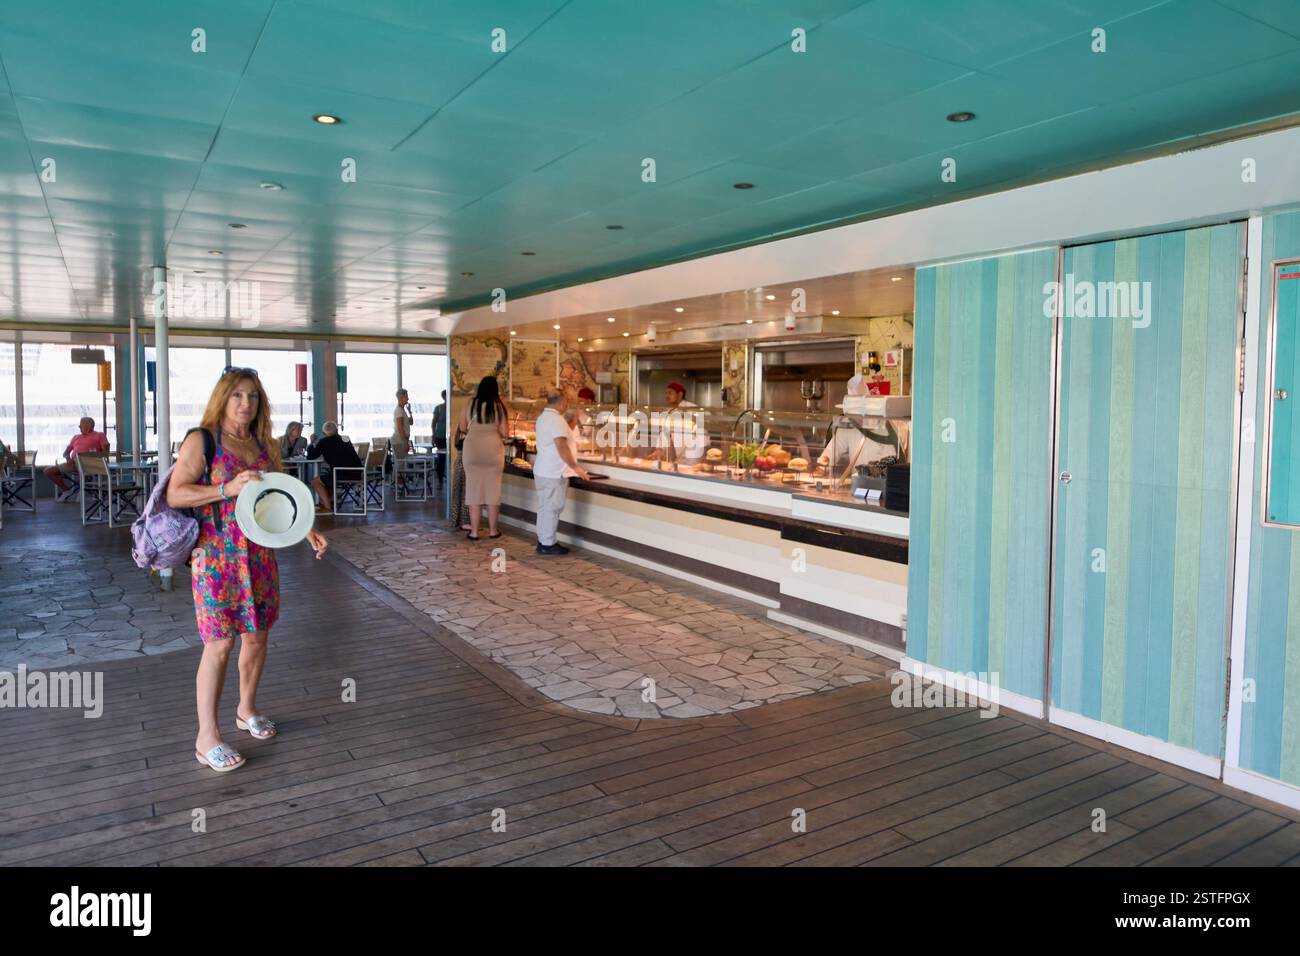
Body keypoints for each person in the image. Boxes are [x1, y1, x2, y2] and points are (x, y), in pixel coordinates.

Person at [166, 367, 328, 773]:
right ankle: (206, 737)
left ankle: (246, 709)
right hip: (215, 558)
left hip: (259, 555)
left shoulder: (262, 445)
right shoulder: (201, 440)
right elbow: (176, 493)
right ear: (223, 398)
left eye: (253, 396)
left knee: (256, 637)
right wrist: (225, 489)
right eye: (238, 395)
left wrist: (307, 529)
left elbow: (280, 494)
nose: (245, 404)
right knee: (219, 644)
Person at [533, 389, 589, 555]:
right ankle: (548, 544)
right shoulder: (556, 420)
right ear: (562, 401)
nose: (567, 403)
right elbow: (562, 447)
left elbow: (564, 434)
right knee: (553, 507)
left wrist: (574, 420)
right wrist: (576, 467)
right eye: (566, 400)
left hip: (543, 470)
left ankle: (543, 539)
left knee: (544, 507)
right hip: (554, 472)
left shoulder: (544, 417)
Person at [457, 375, 509, 540]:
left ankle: (474, 532)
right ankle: (493, 531)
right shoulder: (499, 406)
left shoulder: (470, 403)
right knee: (493, 492)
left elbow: (462, 427)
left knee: (473, 491)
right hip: (493, 451)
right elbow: (505, 433)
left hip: (472, 450)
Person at [44, 416, 109, 501]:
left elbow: (105, 453)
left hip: (91, 463)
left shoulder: (99, 435)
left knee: (84, 470)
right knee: (48, 471)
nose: (79, 427)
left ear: (88, 426)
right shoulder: (76, 437)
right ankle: (66, 491)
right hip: (74, 463)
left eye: (81, 425)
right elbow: (66, 453)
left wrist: (105, 448)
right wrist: (68, 459)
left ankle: (86, 489)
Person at [306, 421, 363, 512]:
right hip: (357, 472)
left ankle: (327, 507)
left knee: (315, 481)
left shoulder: (323, 442)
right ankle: (327, 501)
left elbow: (310, 457)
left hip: (341, 474)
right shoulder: (346, 439)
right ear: (337, 430)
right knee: (328, 476)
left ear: (324, 433)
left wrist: (311, 442)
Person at [432, 390, 448, 485]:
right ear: (443, 397)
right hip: (440, 436)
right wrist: (433, 435)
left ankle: (449, 477)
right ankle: (440, 480)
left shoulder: (453, 408)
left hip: (451, 437)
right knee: (441, 458)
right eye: (445, 396)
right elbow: (433, 423)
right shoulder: (439, 408)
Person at [390, 388, 412, 459]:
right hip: (399, 441)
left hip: (402, 441)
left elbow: (411, 422)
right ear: (401, 397)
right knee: (402, 464)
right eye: (406, 396)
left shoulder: (403, 410)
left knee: (403, 463)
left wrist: (409, 412)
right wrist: (405, 442)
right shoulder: (399, 411)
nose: (408, 398)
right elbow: (400, 428)